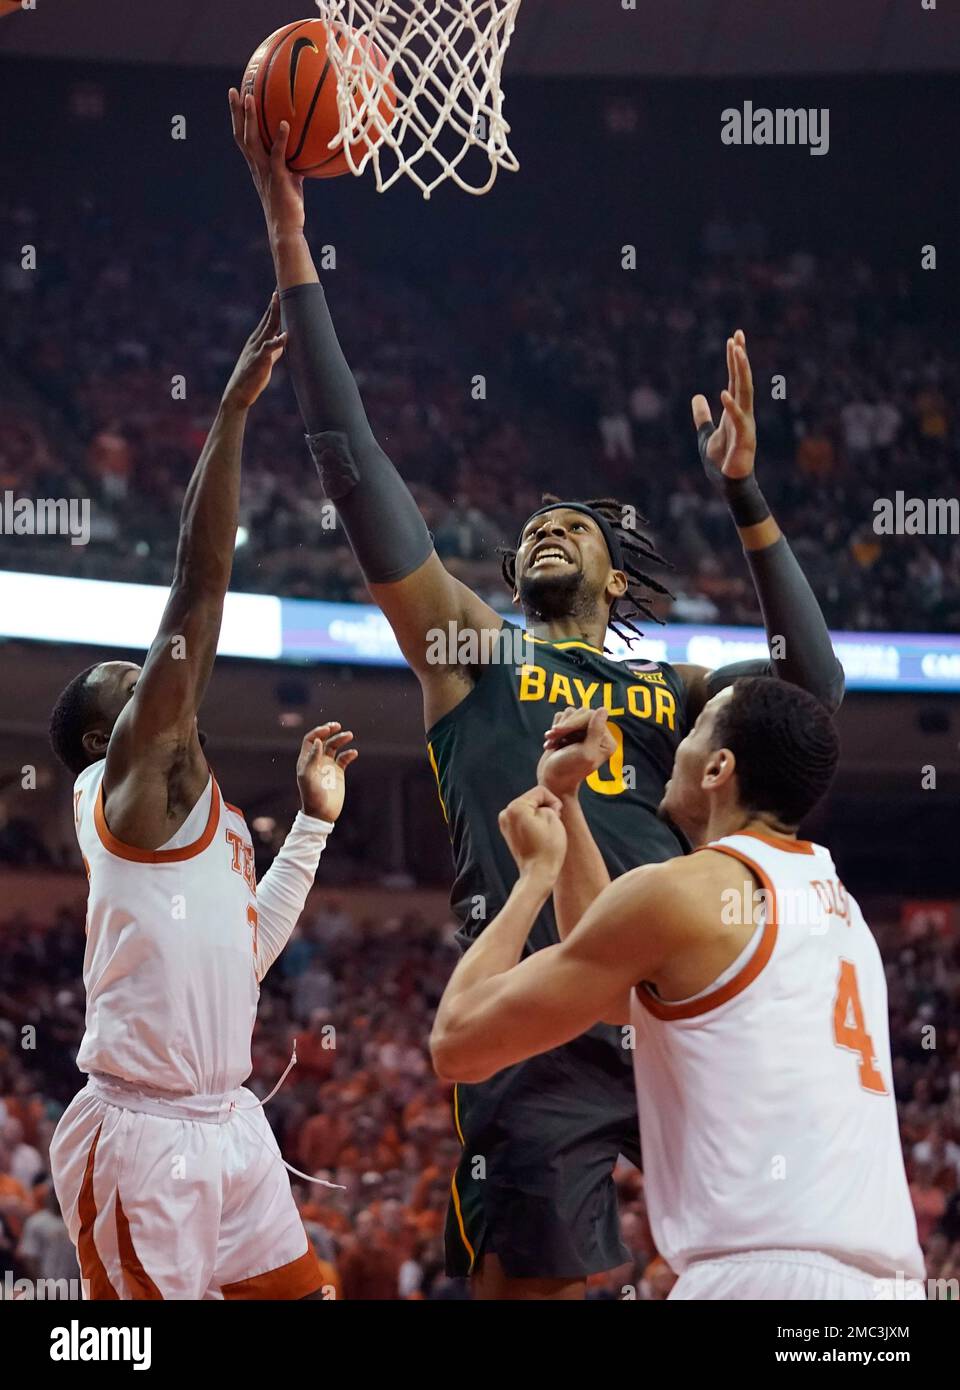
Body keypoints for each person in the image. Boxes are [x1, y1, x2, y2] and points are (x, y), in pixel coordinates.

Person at [230, 94, 845, 1299]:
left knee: (763, 1281)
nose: (552, 530)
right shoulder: (475, 652)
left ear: (617, 578)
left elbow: (814, 692)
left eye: (578, 526)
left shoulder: (680, 692)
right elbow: (356, 475)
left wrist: (749, 498)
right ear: (513, 577)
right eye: (534, 530)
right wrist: (290, 231)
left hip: (682, 1002)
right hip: (539, 1013)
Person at [46, 300, 359, 1300]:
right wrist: (229, 414)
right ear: (108, 742)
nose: (149, 687)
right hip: (142, 1137)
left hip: (230, 1121)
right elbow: (199, 585)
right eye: (126, 687)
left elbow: (249, 951)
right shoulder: (127, 792)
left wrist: (312, 823)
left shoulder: (205, 818)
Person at [430, 679, 924, 1300]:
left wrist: (533, 878)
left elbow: (459, 1043)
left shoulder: (682, 892)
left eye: (692, 732)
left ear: (719, 768)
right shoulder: (840, 912)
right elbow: (613, 970)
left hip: (761, 1280)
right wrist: (567, 799)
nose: (673, 746)